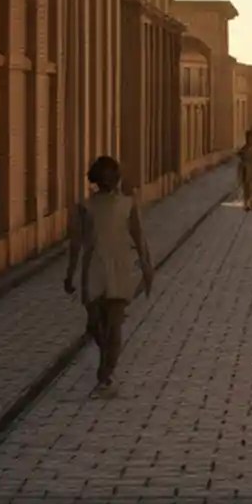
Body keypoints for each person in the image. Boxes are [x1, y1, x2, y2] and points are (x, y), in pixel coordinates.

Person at [64, 157, 154, 399]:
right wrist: (70, 273)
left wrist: (146, 264)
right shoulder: (85, 207)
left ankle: (106, 375)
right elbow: (76, 242)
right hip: (93, 270)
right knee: (94, 324)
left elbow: (138, 235)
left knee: (113, 324)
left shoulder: (127, 204)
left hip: (120, 268)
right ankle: (108, 359)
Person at [237, 129, 252, 211]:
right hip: (246, 171)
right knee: (247, 189)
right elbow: (241, 157)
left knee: (251, 189)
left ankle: (250, 204)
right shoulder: (246, 149)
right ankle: (246, 204)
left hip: (251, 172)